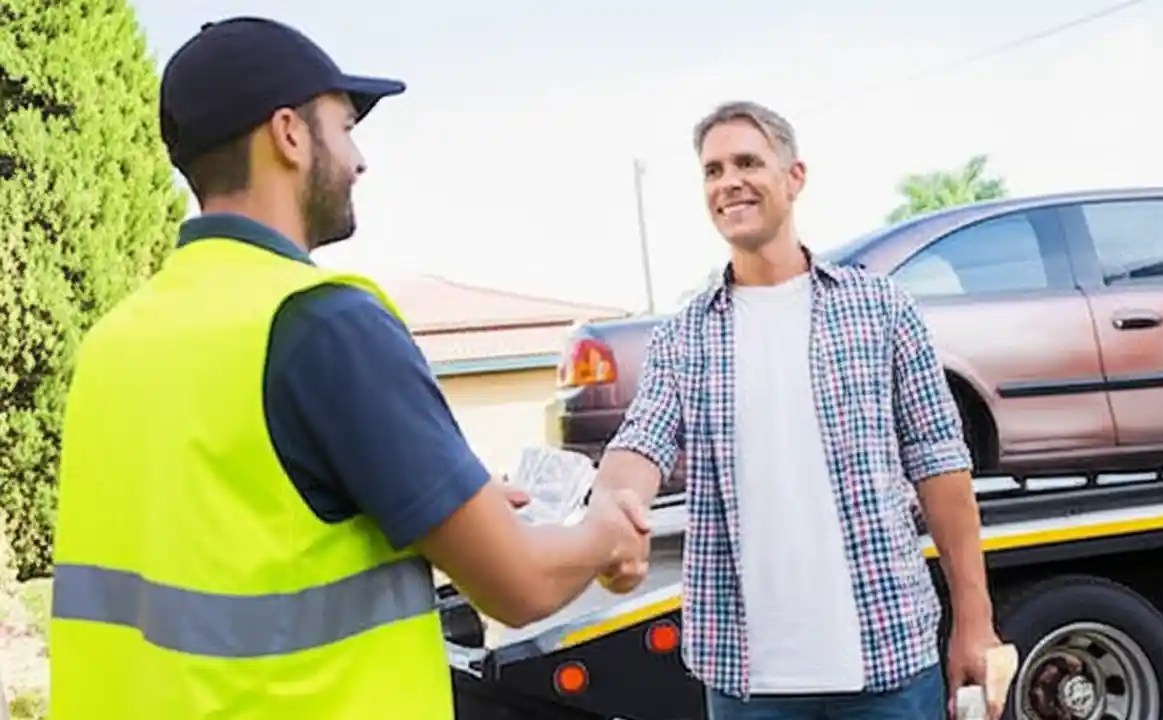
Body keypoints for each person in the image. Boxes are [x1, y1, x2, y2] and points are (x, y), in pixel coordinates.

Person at [47, 16, 648, 719]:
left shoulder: (116, 341)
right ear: (289, 135)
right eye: (345, 125)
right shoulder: (322, 323)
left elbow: (224, 530)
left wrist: (446, 498)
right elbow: (518, 585)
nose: (360, 159)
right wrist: (607, 526)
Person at [589, 100, 1006, 720]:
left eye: (747, 162)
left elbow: (940, 465)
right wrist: (612, 511)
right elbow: (640, 444)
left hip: (889, 660)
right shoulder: (683, 337)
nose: (728, 181)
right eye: (712, 170)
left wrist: (975, 621)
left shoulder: (880, 309)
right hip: (748, 682)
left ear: (794, 177)